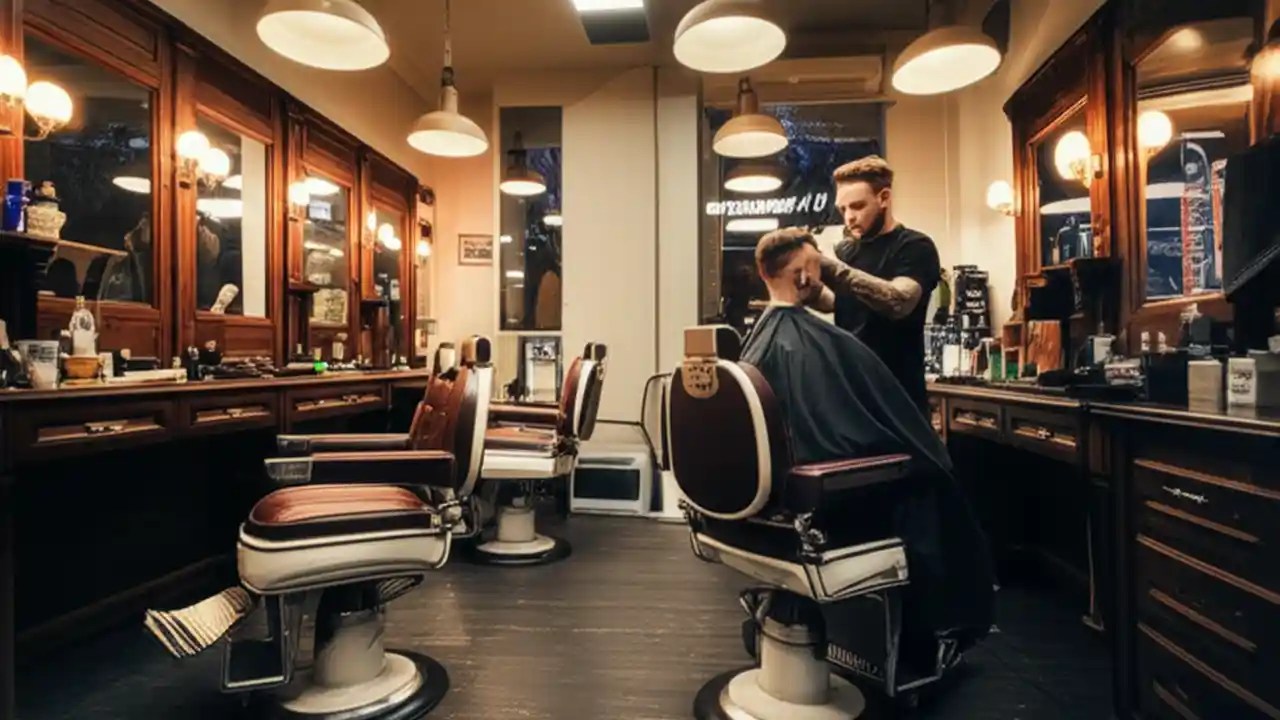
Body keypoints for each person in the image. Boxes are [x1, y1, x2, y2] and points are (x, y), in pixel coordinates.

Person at [742, 227, 994, 662]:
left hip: (771, 491)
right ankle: (930, 635)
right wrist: (916, 453)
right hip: (824, 494)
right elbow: (843, 434)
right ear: (804, 275)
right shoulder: (809, 343)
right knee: (931, 478)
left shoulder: (764, 340)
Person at [808, 156, 942, 414]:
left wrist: (829, 267)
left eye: (857, 206)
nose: (849, 217)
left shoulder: (914, 246)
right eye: (843, 209)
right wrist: (807, 285)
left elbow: (898, 302)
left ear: (883, 198)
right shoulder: (848, 251)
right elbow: (839, 303)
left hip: (898, 397)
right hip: (854, 393)